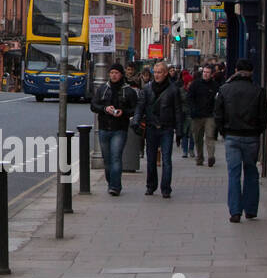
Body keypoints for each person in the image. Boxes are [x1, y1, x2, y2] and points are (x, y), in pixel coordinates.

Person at [214, 58, 267, 223]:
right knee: (252, 173)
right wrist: (257, 131)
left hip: (232, 136)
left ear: (236, 70)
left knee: (234, 174)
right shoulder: (258, 91)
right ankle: (251, 209)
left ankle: (235, 211)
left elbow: (218, 114)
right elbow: (264, 115)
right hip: (251, 137)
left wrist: (224, 132)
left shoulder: (224, 90)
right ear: (251, 72)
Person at [133, 60, 183, 198]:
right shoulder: (147, 89)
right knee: (150, 159)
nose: (157, 75)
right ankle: (151, 186)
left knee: (166, 160)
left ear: (166, 73)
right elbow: (140, 106)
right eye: (155, 72)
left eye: (160, 72)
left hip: (166, 127)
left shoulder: (173, 89)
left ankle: (166, 188)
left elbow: (178, 111)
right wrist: (136, 121)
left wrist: (179, 132)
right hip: (151, 127)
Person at [90, 63, 137, 196]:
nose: (113, 75)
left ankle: (115, 187)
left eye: (116, 73)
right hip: (104, 128)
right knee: (107, 159)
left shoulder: (128, 91)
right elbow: (93, 105)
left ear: (121, 74)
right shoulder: (103, 89)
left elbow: (135, 109)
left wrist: (124, 112)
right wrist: (105, 109)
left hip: (120, 129)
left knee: (116, 157)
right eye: (111, 73)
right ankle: (111, 182)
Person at [187, 63, 219, 166]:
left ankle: (210, 156)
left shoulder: (215, 86)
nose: (205, 74)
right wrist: (193, 110)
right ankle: (200, 157)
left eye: (208, 72)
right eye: (204, 72)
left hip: (209, 115)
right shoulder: (195, 84)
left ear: (211, 74)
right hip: (197, 116)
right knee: (197, 138)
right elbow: (190, 98)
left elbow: (218, 100)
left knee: (210, 136)